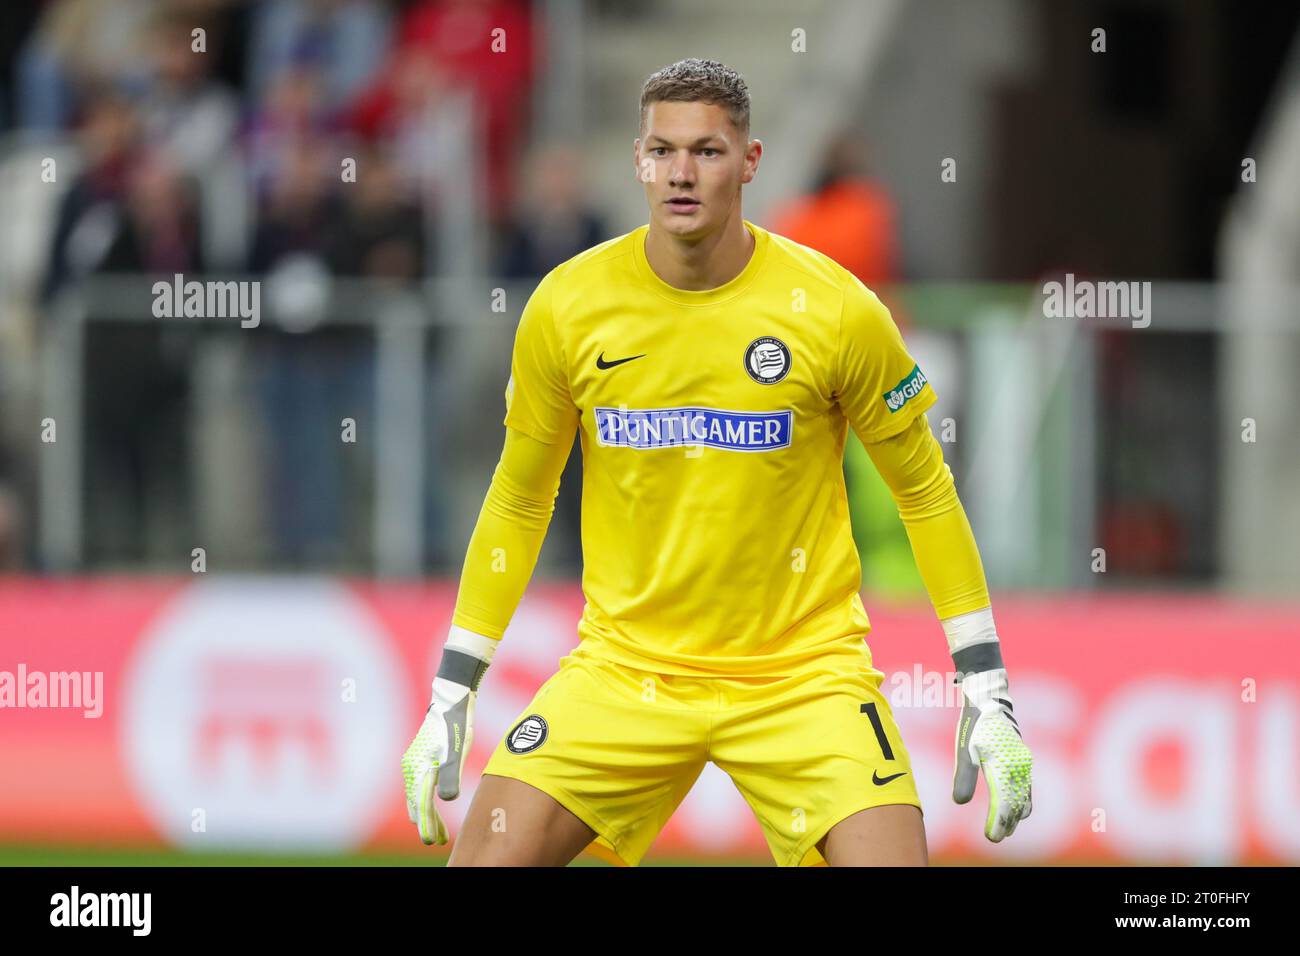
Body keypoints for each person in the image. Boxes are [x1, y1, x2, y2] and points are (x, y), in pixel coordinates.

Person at [403, 59, 1033, 866]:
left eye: (705, 151)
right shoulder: (567, 305)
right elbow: (521, 499)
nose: (681, 173)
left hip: (802, 678)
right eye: (662, 151)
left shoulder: (838, 310)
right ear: (637, 161)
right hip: (624, 674)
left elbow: (926, 493)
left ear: (751, 160)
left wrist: (985, 685)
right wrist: (454, 686)